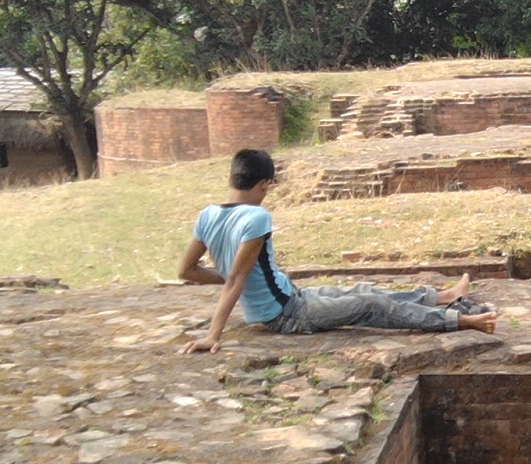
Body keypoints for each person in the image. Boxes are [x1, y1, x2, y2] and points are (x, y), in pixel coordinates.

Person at [178, 148, 498, 354]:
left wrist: (231, 278)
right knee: (371, 305)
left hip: (293, 297)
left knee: (363, 290)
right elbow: (236, 279)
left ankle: (441, 296)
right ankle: (459, 320)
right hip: (287, 314)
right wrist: (214, 334)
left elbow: (187, 271)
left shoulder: (208, 215)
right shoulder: (256, 217)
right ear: (265, 184)